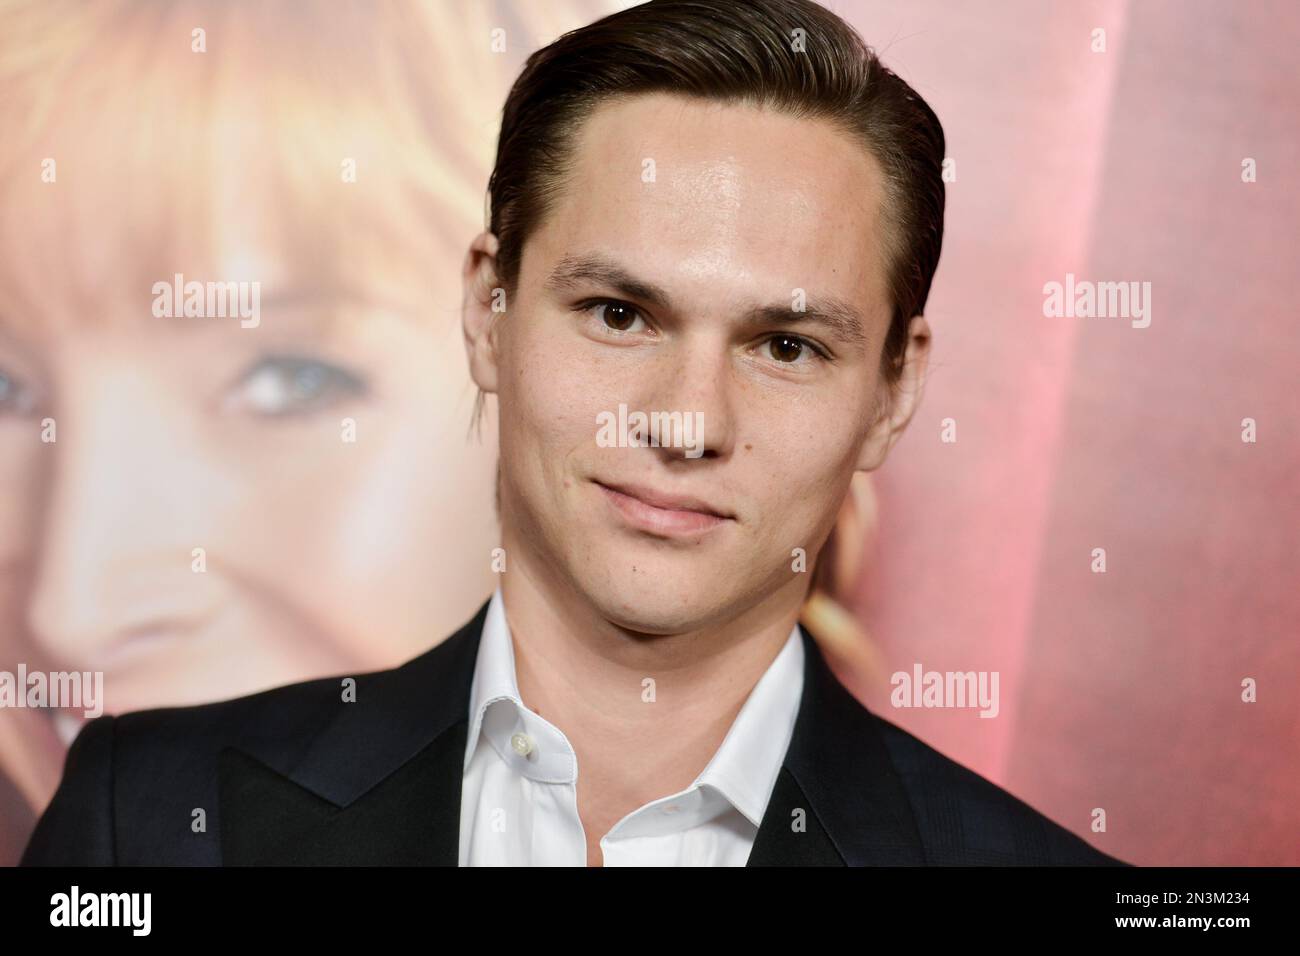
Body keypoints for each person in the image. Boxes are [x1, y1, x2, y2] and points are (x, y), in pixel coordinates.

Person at [22, 0, 1128, 867]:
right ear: (485, 313)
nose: (688, 421)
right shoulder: (153, 816)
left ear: (895, 390)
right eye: (618, 314)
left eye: (785, 345)